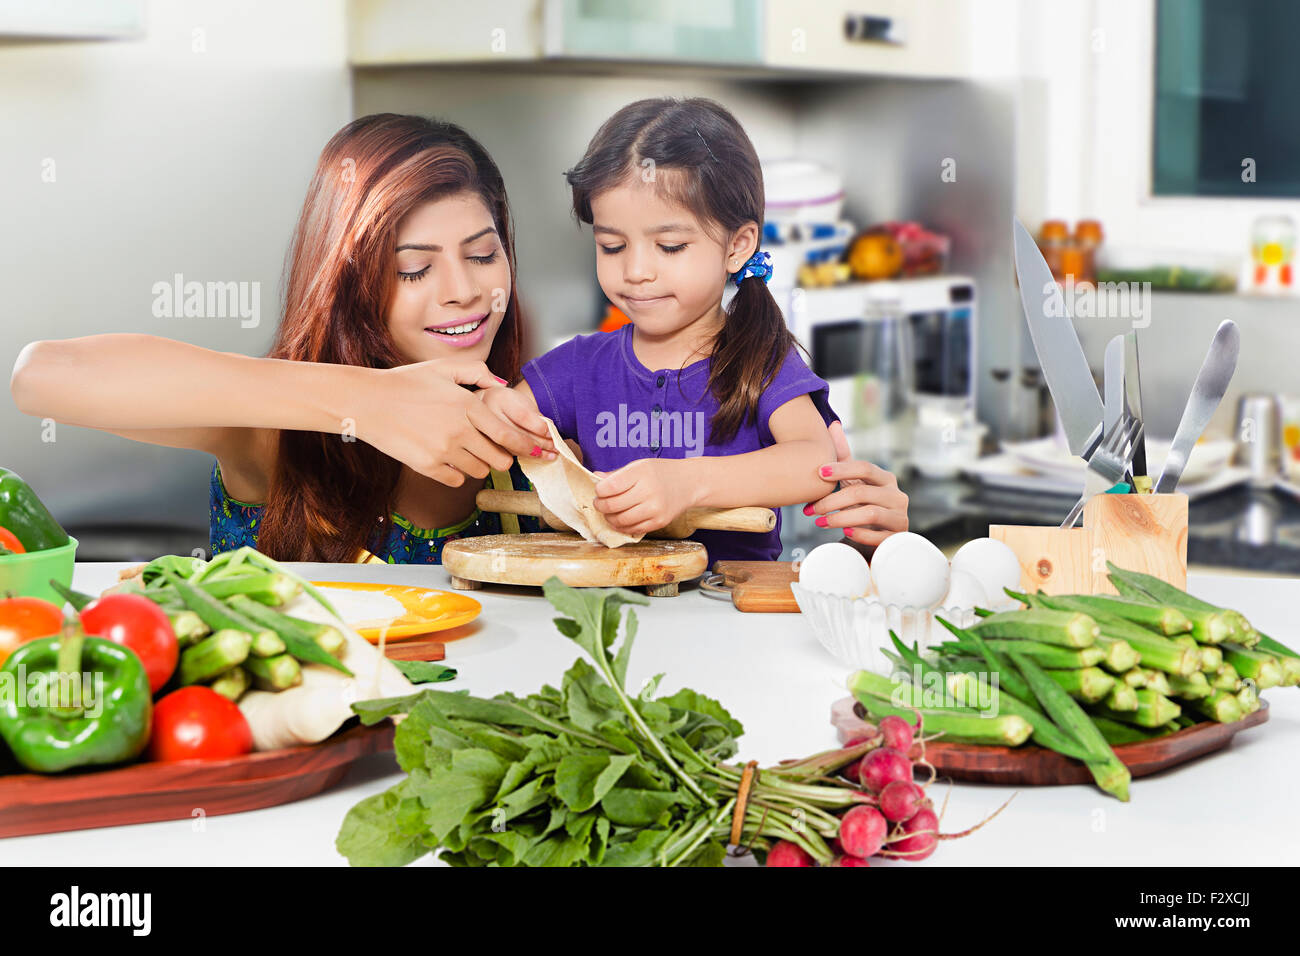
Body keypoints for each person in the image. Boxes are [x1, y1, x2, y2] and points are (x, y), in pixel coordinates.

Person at [9, 114, 558, 563]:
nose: (463, 290)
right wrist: (367, 401)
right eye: (414, 268)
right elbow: (43, 377)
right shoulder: (273, 436)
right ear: (348, 282)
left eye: (483, 255)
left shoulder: (538, 420)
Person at [486, 97, 907, 562]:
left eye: (669, 246)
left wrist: (685, 482)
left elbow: (814, 460)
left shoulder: (760, 359)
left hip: (728, 613)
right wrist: (517, 430)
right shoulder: (579, 366)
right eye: (612, 246)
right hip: (610, 608)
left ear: (737, 247)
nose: (636, 270)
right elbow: (501, 419)